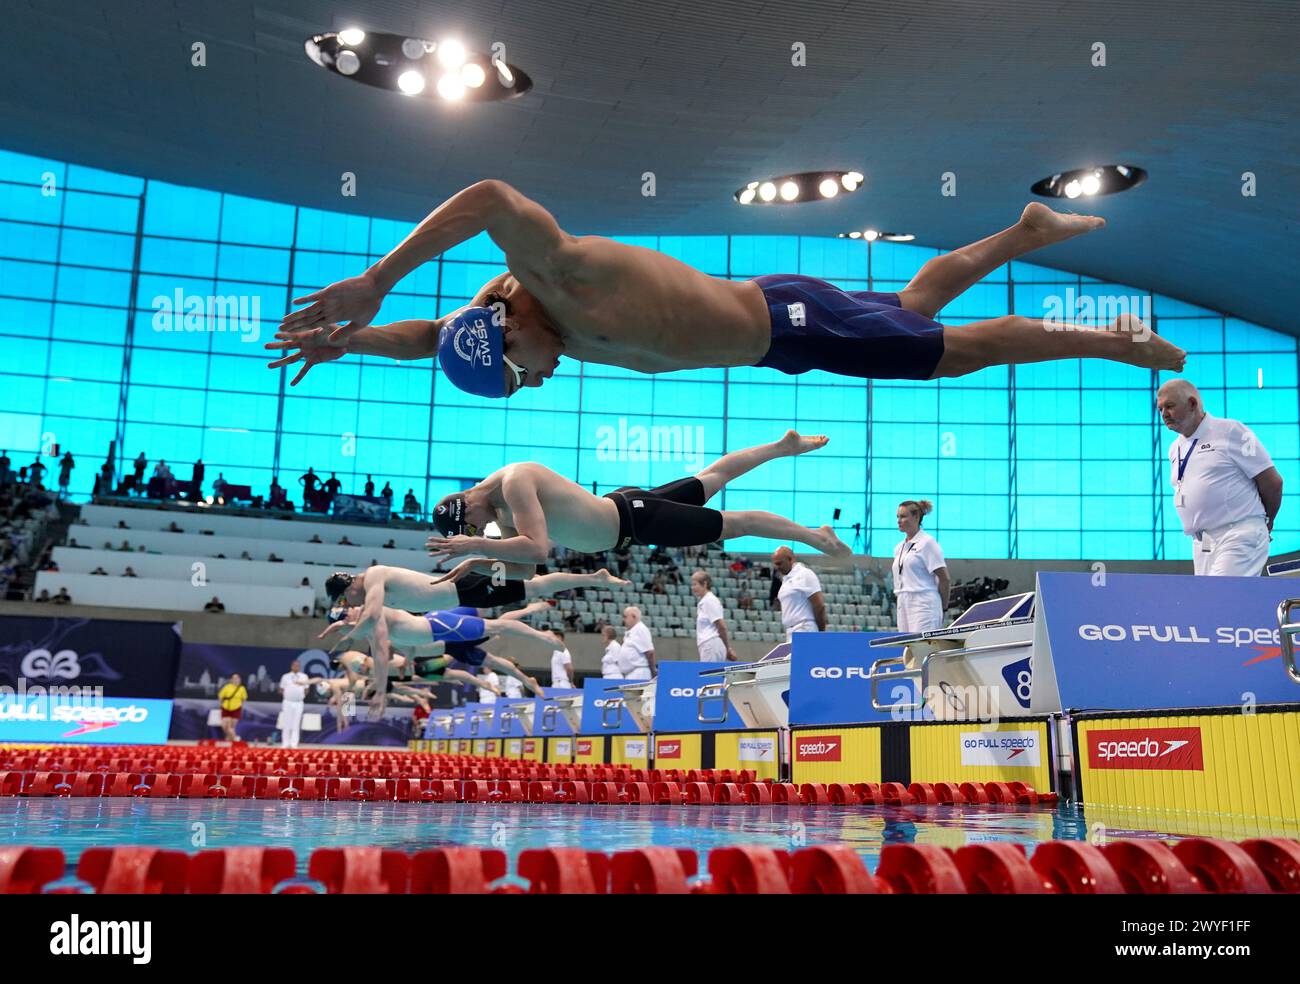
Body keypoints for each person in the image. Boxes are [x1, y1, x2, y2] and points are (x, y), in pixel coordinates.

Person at [267, 186, 1184, 395]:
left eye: (518, 377)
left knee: (951, 356)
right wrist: (346, 338)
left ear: (509, 333)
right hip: (786, 327)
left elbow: (492, 197)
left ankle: (1121, 345)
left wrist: (377, 277)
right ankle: (1021, 234)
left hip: (790, 321)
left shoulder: (562, 277)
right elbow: (433, 336)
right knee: (909, 315)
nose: (534, 384)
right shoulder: (524, 323)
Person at [426, 431, 849, 571]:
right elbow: (525, 569)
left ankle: (815, 536)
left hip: (633, 521)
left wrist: (478, 545)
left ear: (467, 501)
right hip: (626, 509)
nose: (483, 530)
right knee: (710, 478)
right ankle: (782, 446)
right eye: (477, 532)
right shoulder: (501, 508)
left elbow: (539, 548)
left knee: (736, 523)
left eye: (475, 526)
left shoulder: (515, 483)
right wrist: (474, 559)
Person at [324, 564, 627, 666]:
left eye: (345, 599)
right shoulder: (369, 586)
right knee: (533, 588)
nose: (352, 603)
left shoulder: (374, 576)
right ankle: (594, 577)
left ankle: (594, 577)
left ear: (349, 586)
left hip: (466, 586)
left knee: (535, 586)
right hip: (466, 594)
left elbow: (373, 611)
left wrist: (343, 634)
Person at [1157, 379, 1283, 576]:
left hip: (1238, 534)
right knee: (1207, 604)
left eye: (1170, 406)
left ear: (1192, 404)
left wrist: (1267, 520)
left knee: (1221, 600)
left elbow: (1273, 482)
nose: (1164, 413)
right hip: (1203, 542)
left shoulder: (1232, 431)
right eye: (1160, 408)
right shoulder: (1175, 448)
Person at [892, 500, 950, 632]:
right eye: (897, 517)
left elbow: (945, 578)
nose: (899, 520)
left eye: (903, 516)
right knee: (908, 647)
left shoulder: (927, 543)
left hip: (923, 602)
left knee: (922, 646)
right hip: (902, 601)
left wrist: (944, 607)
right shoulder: (899, 548)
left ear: (916, 517)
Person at [772, 546, 827, 639]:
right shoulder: (785, 580)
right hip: (791, 631)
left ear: (790, 559)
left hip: (804, 629)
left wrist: (820, 633)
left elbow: (819, 606)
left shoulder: (805, 574)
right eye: (775, 564)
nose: (777, 567)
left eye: (779, 564)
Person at [691, 570, 736, 662]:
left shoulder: (709, 601)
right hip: (709, 645)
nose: (693, 588)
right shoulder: (705, 601)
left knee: (708, 675)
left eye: (695, 584)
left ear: (704, 584)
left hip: (711, 644)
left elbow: (721, 626)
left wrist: (727, 649)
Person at [278, 659, 309, 748]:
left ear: (300, 667)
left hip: (298, 703)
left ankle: (294, 743)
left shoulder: (304, 676)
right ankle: (285, 743)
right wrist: (289, 693)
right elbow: (281, 689)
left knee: (296, 723)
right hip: (287, 702)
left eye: (298, 665)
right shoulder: (285, 676)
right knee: (286, 723)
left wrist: (300, 695)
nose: (296, 667)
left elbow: (307, 689)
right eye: (294, 665)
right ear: (291, 666)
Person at [619, 606, 655, 680]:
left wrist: (653, 672)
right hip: (631, 673)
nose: (623, 620)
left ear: (633, 616)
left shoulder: (640, 629)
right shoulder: (632, 631)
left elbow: (649, 652)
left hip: (639, 672)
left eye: (625, 617)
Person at [217, 673, 247, 741]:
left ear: (239, 680)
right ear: (231, 680)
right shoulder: (227, 687)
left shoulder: (242, 688)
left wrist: (239, 705)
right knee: (224, 726)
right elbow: (220, 696)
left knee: (232, 727)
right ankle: (235, 738)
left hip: (236, 708)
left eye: (237, 678)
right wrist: (222, 704)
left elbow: (244, 699)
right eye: (234, 678)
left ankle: (229, 739)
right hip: (226, 708)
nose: (235, 680)